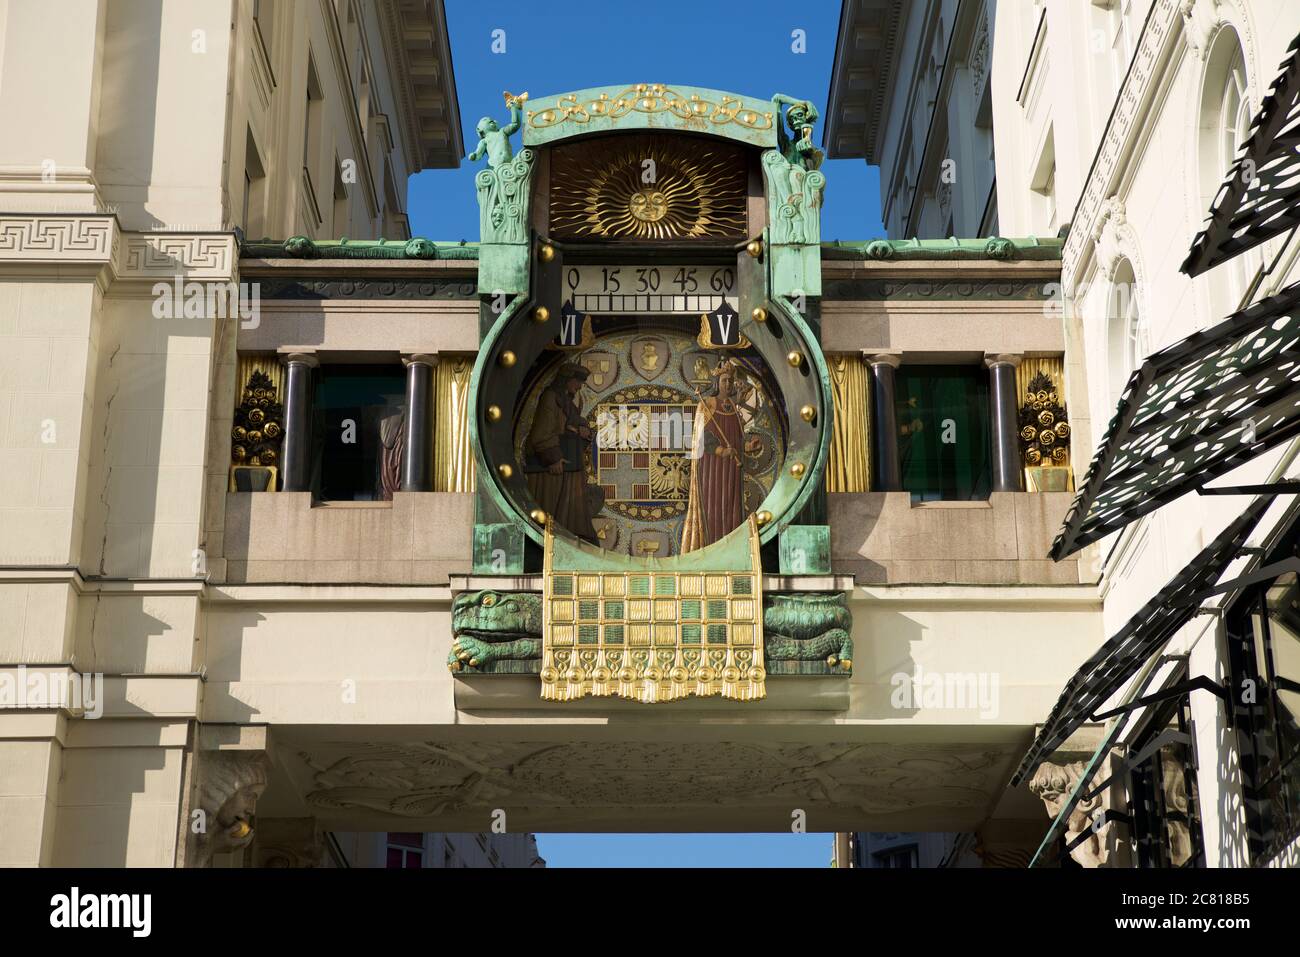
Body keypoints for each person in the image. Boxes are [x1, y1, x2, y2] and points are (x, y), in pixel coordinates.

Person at [680, 359, 758, 552]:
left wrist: (747, 446)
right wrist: (721, 451)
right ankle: (711, 548)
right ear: (717, 383)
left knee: (731, 507)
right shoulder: (708, 404)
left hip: (731, 469)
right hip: (712, 469)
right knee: (714, 506)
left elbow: (736, 438)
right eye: (724, 381)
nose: (728, 384)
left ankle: (731, 549)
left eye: (730, 381)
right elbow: (701, 438)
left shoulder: (733, 407)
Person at [523, 362, 598, 543]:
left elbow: (574, 422)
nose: (579, 386)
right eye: (577, 381)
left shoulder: (566, 401)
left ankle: (575, 537)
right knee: (555, 511)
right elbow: (541, 433)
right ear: (566, 379)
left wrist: (582, 429)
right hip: (552, 470)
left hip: (568, 467)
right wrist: (553, 458)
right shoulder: (551, 398)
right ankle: (563, 538)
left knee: (570, 510)